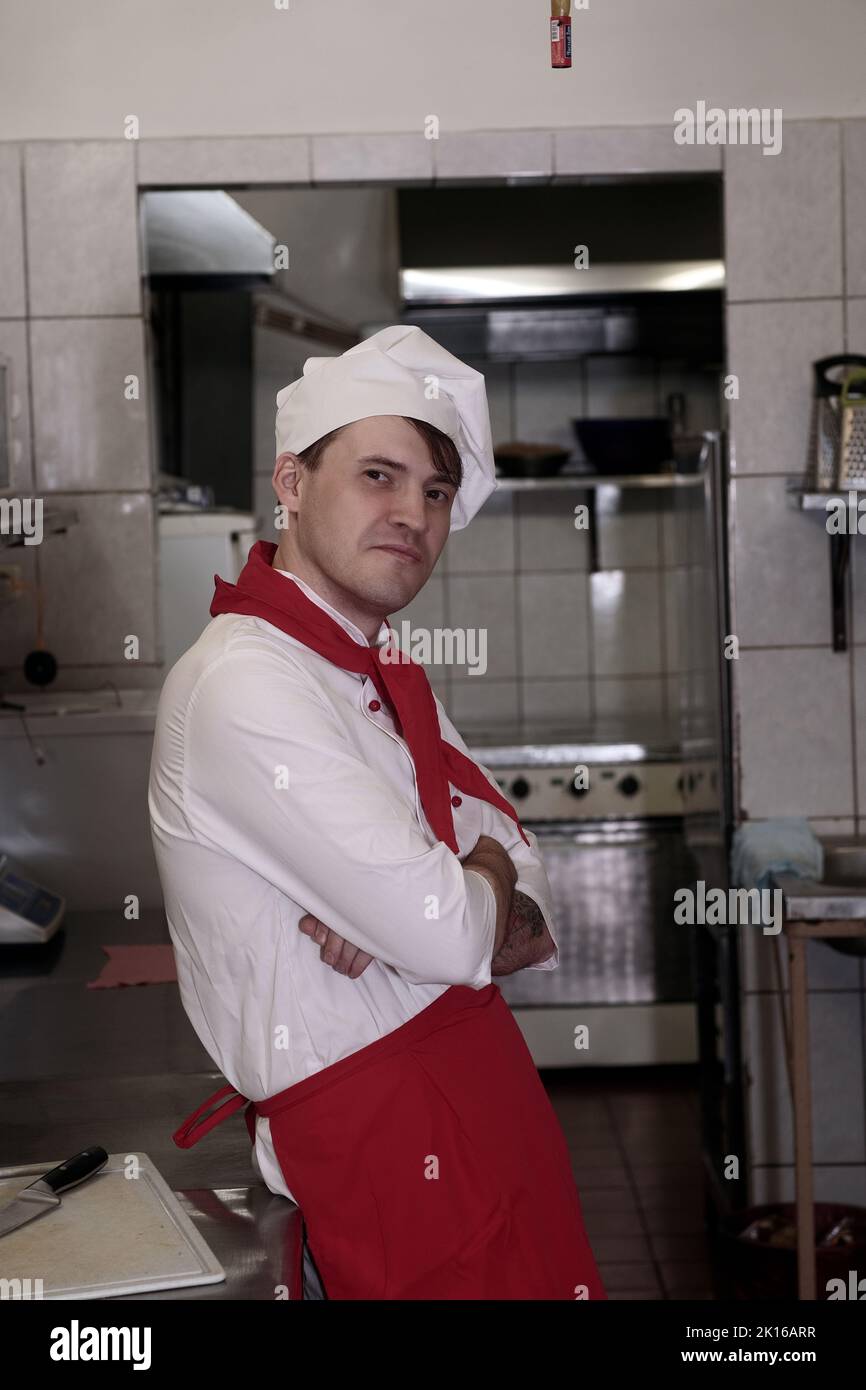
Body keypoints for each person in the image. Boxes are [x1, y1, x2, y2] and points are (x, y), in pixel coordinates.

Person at [149, 325, 606, 1301]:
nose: (412, 513)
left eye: (435, 492)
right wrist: (446, 892)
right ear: (292, 481)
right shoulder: (246, 683)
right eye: (378, 476)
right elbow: (452, 929)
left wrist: (439, 889)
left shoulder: (385, 669)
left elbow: (523, 887)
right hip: (378, 1140)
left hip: (481, 1092)